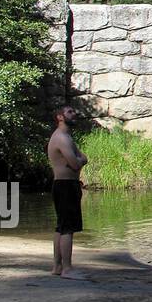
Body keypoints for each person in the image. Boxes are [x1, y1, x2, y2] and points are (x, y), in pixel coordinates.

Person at [48, 105, 88, 279]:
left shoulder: (66, 137)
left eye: (74, 111)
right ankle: (67, 269)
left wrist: (79, 159)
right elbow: (77, 163)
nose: (74, 114)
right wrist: (79, 159)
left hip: (65, 184)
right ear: (60, 117)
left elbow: (82, 157)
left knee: (61, 226)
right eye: (70, 112)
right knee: (67, 228)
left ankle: (57, 267)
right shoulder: (61, 138)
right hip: (65, 185)